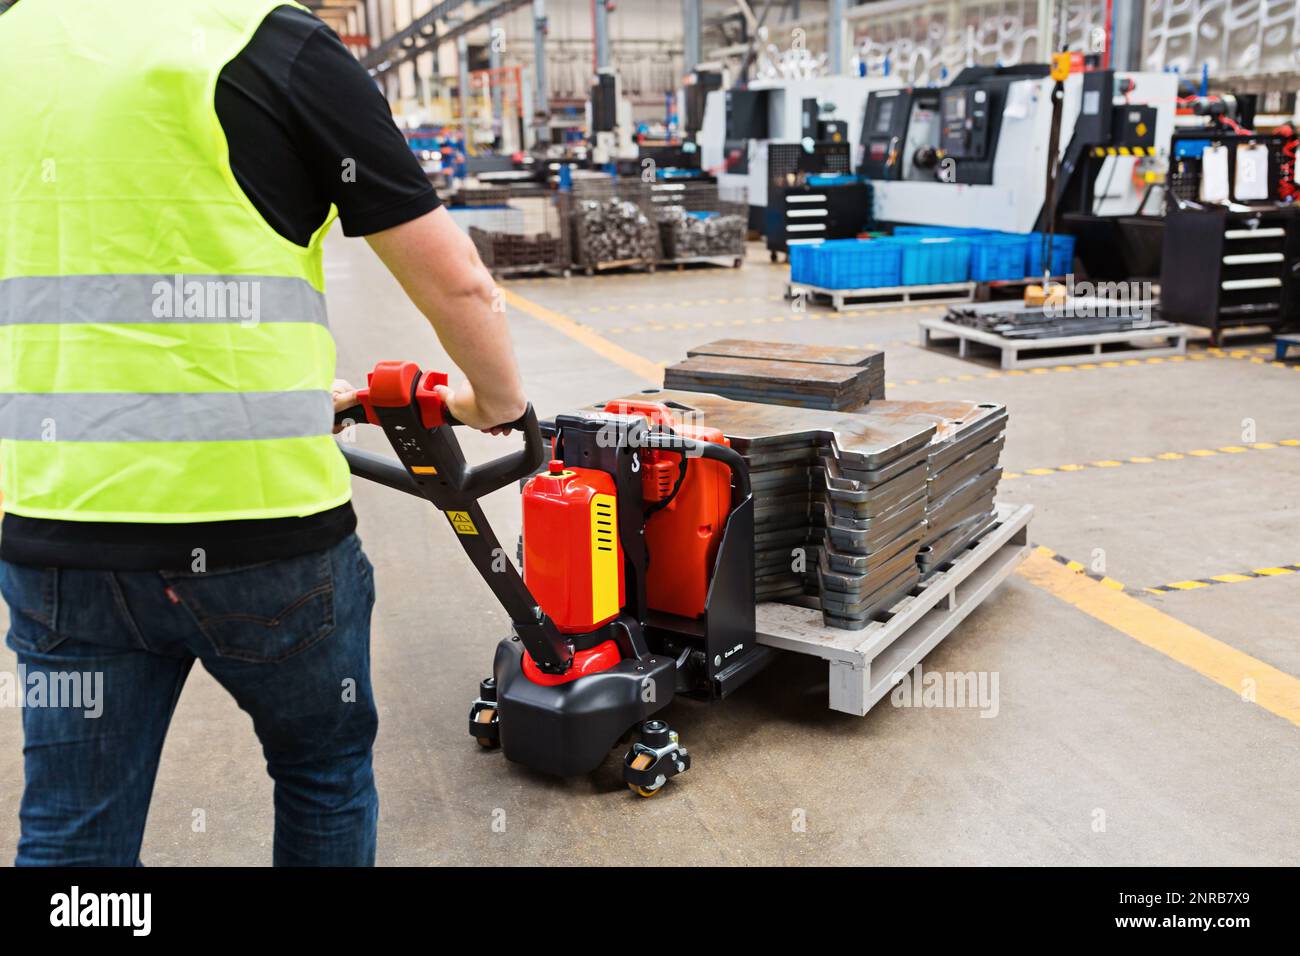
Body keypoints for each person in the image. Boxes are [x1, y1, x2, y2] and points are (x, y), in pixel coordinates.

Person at [0, 0, 526, 866]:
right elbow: (460, 284)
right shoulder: (269, 42)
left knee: (71, 825)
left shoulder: (16, 44)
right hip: (263, 535)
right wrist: (491, 401)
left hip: (62, 532)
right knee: (321, 772)